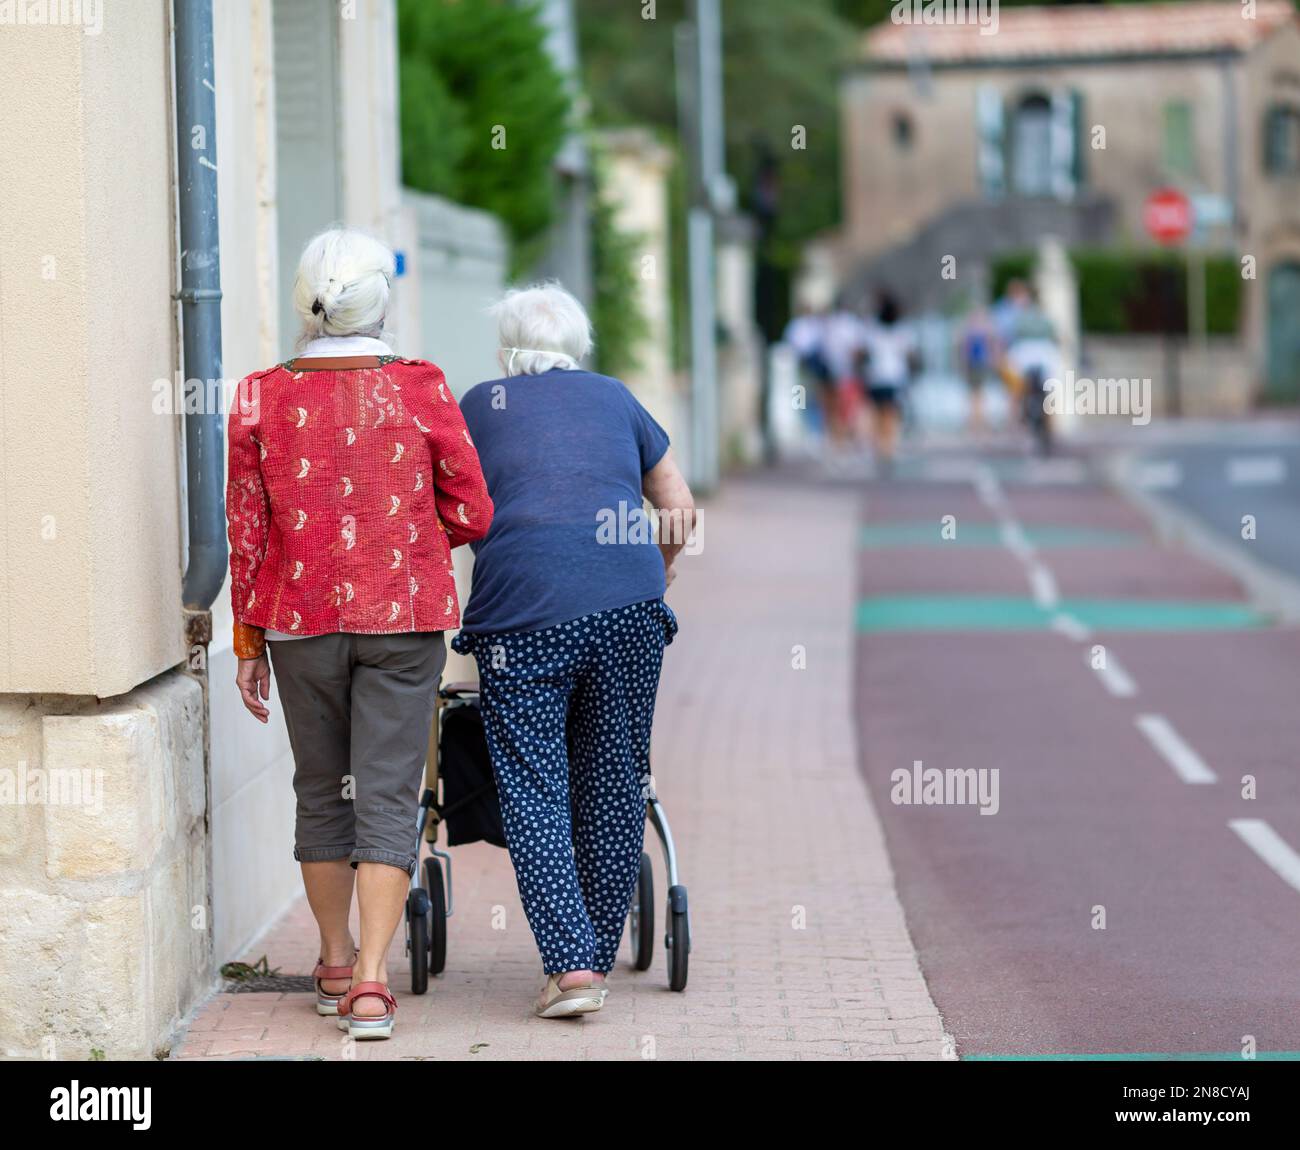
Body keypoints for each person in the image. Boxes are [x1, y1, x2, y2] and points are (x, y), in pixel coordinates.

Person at [225, 227, 493, 1040]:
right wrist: (408, 539)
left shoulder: (257, 394)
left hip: (298, 623)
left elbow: (246, 529)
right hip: (404, 618)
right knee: (385, 789)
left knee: (319, 788)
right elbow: (474, 508)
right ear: (381, 300)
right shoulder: (420, 387)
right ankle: (372, 986)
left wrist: (246, 641)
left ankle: (335, 956)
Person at [451, 283, 695, 1018]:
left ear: (506, 350)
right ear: (578, 348)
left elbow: (457, 512)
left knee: (534, 787)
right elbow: (678, 508)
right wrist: (661, 573)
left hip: (520, 617)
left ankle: (573, 969)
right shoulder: (617, 398)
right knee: (616, 777)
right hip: (628, 606)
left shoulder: (480, 405)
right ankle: (592, 947)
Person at [860, 291, 917, 468]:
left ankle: (879, 447)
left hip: (875, 377)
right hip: (894, 378)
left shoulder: (872, 331)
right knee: (890, 415)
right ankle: (888, 448)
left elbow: (863, 352)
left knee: (877, 414)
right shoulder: (903, 331)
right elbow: (910, 354)